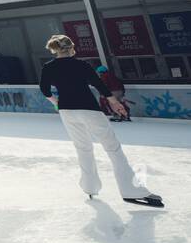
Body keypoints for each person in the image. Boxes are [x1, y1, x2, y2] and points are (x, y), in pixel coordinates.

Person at [39, 35, 162, 206]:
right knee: (113, 148)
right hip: (89, 109)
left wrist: (56, 102)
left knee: (83, 148)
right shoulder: (81, 65)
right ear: (71, 47)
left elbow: (44, 90)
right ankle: (131, 191)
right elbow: (98, 84)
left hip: (67, 111)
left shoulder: (48, 67)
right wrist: (115, 102)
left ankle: (90, 187)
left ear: (54, 49)